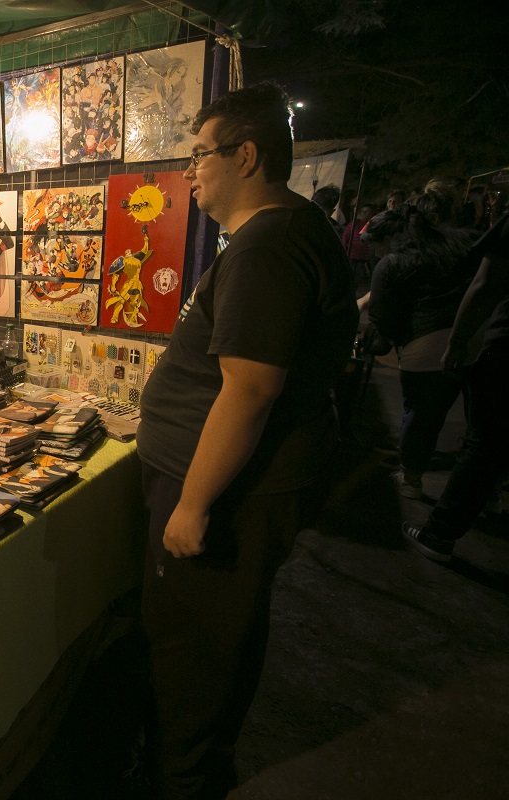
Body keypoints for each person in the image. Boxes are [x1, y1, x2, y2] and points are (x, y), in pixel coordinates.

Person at [135, 82, 356, 799]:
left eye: (200, 154)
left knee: (194, 649)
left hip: (230, 496)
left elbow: (251, 389)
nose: (190, 170)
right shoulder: (283, 234)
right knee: (218, 638)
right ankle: (195, 761)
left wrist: (193, 505)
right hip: (247, 487)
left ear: (247, 154)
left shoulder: (268, 246)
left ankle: (184, 778)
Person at [403, 211, 509, 562]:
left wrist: (458, 342)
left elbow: (486, 284)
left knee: (482, 440)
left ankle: (439, 531)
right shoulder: (463, 244)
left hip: (500, 349)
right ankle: (491, 495)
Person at [362, 188, 478, 499]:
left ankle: (411, 479)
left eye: (375, 248)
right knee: (480, 425)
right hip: (476, 339)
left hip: (427, 346)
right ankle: (485, 490)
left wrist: (374, 339)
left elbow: (383, 324)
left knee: (422, 416)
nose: (374, 255)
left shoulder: (391, 264)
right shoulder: (455, 242)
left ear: (388, 241)